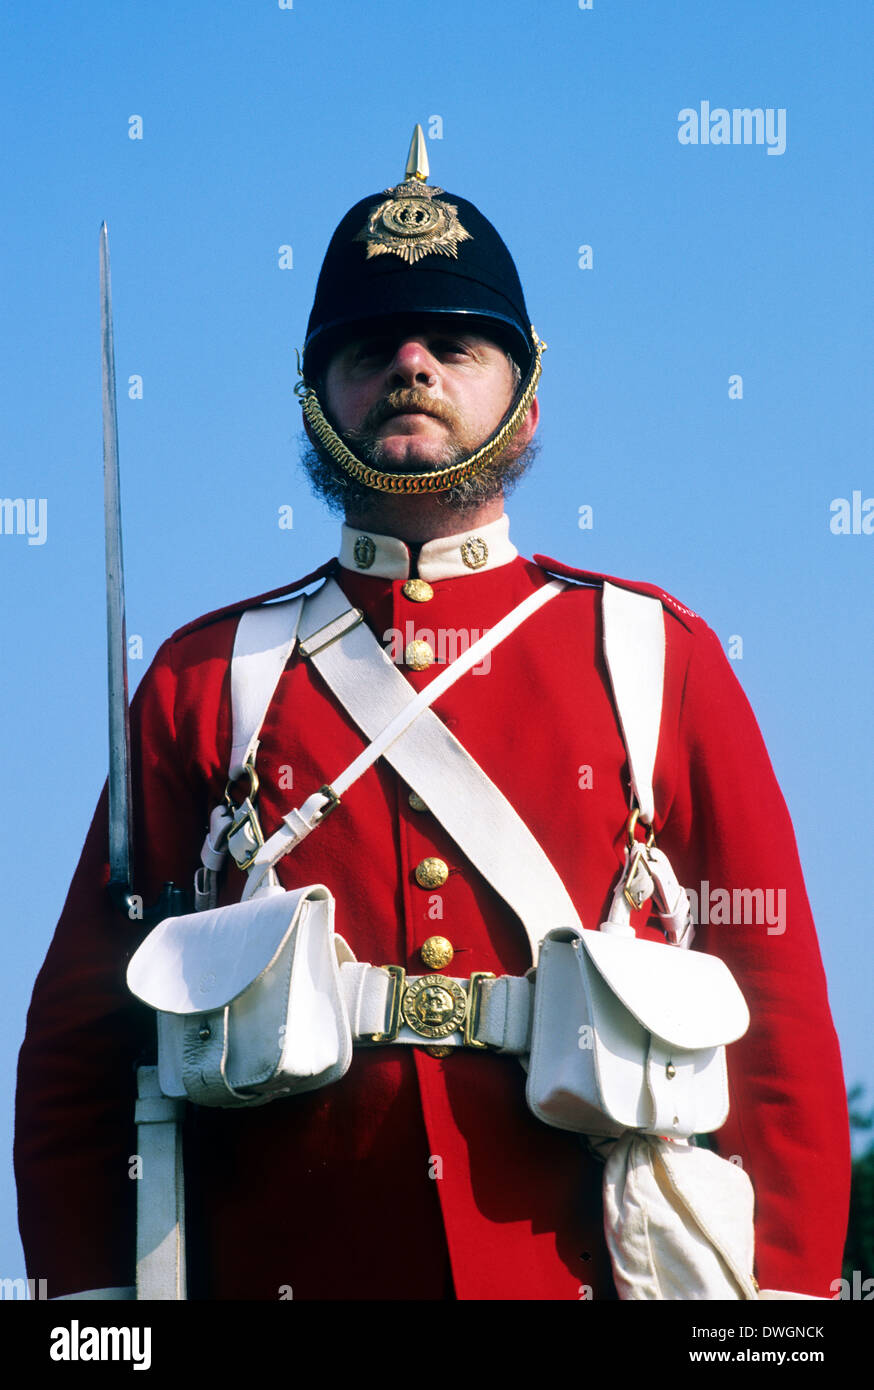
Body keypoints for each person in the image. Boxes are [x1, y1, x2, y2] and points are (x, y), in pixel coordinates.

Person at [15, 128, 850, 1301]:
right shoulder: (207, 678)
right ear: (317, 395)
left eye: (452, 344)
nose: (409, 364)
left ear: (526, 391)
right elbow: (79, 1060)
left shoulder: (657, 654)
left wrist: (790, 1318)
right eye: (368, 348)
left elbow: (777, 1037)